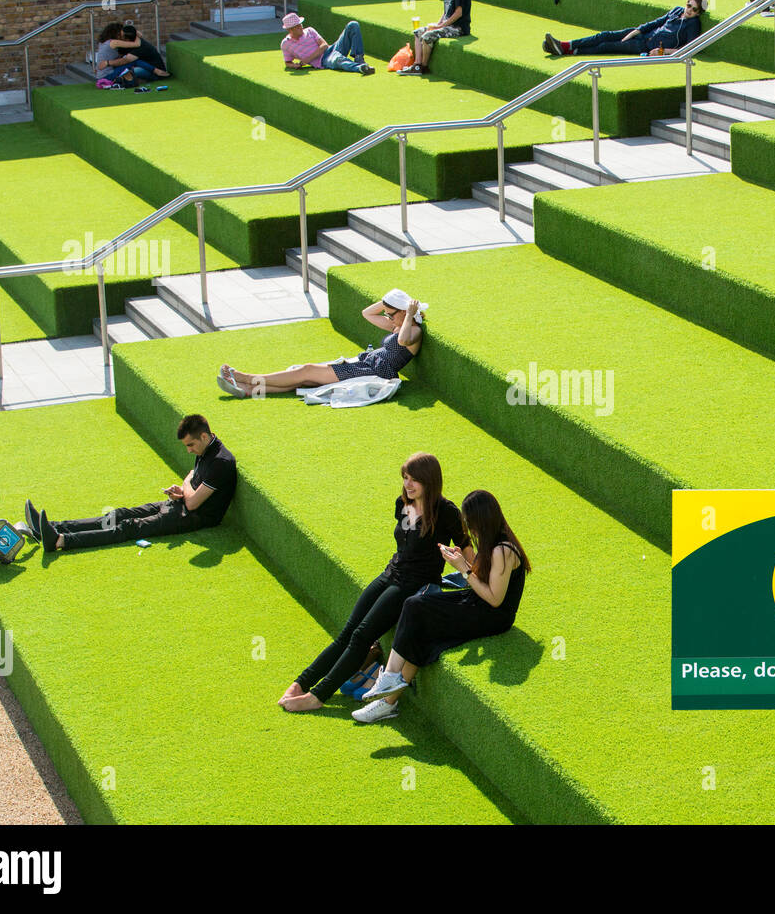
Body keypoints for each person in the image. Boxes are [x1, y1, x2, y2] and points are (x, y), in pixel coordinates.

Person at [279, 453, 474, 711]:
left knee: (362, 635)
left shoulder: (446, 511)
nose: (408, 484)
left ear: (430, 480)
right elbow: (404, 544)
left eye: (415, 479)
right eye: (405, 478)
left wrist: (473, 574)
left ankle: (318, 696)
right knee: (348, 631)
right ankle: (301, 683)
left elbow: (465, 544)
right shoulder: (403, 503)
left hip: (414, 583)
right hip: (391, 573)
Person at [353, 489, 531, 723]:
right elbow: (484, 576)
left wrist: (463, 569)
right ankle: (389, 697)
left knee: (417, 608)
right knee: (416, 608)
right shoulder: (493, 542)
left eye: (470, 523)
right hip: (478, 602)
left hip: (492, 615)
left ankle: (389, 685)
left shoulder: (503, 550)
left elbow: (495, 599)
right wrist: (464, 560)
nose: (468, 529)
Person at [25, 415, 236, 553]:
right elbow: (192, 484)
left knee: (128, 527)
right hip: (181, 504)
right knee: (118, 515)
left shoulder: (221, 462)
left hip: (193, 517)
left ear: (205, 436)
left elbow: (192, 502)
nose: (189, 450)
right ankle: (50, 528)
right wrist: (183, 490)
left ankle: (60, 541)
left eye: (191, 445)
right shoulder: (205, 448)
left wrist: (187, 483)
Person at [217, 290, 424, 397]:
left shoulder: (413, 330)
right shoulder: (398, 325)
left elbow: (404, 340)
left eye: (390, 313)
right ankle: (247, 390)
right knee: (305, 380)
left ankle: (244, 377)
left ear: (405, 313)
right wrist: (391, 301)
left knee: (306, 371)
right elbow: (367, 313)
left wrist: (407, 314)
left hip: (372, 370)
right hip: (367, 364)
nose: (387, 317)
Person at [544, 0, 706, 56]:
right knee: (604, 35)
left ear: (698, 12)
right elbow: (656, 23)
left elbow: (690, 48)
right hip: (643, 35)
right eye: (688, 5)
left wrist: (662, 51)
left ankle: (568, 51)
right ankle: (565, 45)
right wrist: (637, 30)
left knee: (606, 46)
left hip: (645, 47)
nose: (689, 10)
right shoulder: (677, 10)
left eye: (694, 9)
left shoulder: (693, 24)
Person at [399, 0, 470, 76]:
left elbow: (458, 13)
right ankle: (417, 65)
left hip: (458, 28)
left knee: (427, 36)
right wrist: (438, 24)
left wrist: (440, 26)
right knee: (418, 32)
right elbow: (446, 10)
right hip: (447, 25)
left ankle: (423, 67)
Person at [279, 12, 375, 74]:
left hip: (331, 49)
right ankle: (360, 68)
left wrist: (307, 59)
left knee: (353, 25)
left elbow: (324, 45)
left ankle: (359, 58)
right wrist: (295, 65)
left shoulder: (309, 30)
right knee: (338, 59)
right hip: (323, 61)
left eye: (300, 24)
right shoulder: (286, 44)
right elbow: (287, 62)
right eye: (297, 26)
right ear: (290, 30)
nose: (301, 27)